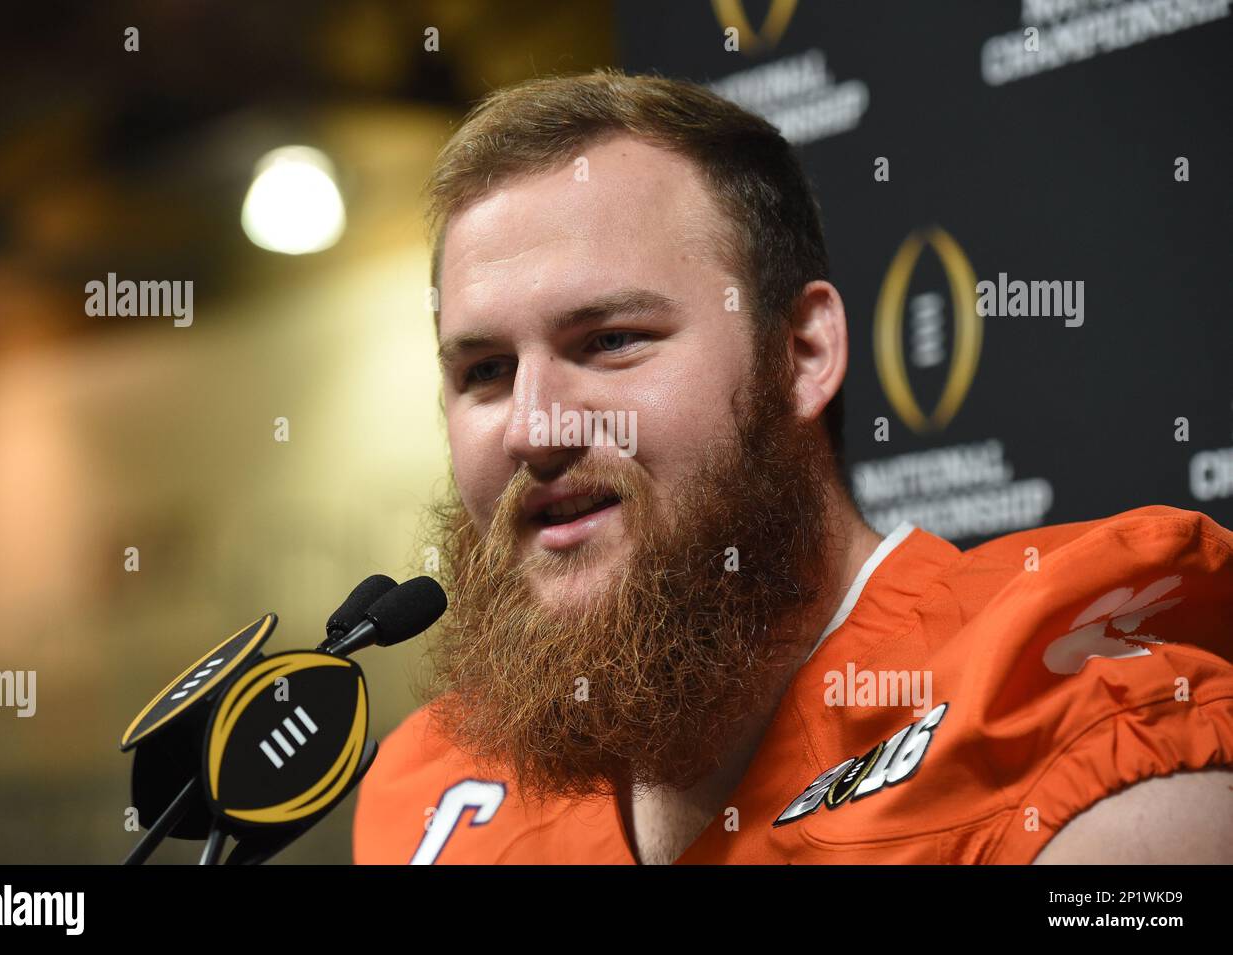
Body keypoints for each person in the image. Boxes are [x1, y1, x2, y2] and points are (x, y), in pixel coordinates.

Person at [352, 68, 1233, 864]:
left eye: (613, 340)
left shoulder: (1073, 735)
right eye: (485, 372)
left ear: (804, 351)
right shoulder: (428, 795)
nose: (533, 428)